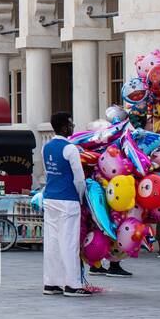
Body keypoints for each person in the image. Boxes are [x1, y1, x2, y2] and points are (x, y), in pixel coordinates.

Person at [42, 112, 90, 298]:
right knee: (69, 242)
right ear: (63, 127)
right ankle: (72, 284)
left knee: (52, 242)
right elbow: (79, 179)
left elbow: (48, 173)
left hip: (50, 198)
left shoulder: (45, 147)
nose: (72, 127)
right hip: (68, 199)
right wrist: (81, 198)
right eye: (70, 124)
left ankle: (51, 282)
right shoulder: (71, 149)